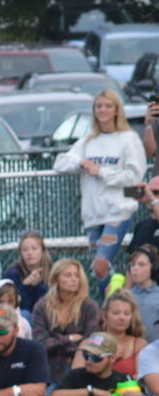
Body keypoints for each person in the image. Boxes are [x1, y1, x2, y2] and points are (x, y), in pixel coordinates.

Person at [52, 89, 146, 295]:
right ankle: (116, 303)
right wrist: (81, 163)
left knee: (101, 264)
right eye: (98, 106)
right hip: (93, 214)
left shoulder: (128, 138)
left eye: (107, 106)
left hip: (117, 212)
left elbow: (134, 176)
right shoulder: (87, 141)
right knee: (98, 269)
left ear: (116, 110)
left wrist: (101, 172)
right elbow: (59, 163)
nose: (102, 110)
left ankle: (118, 300)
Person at [32, 258, 99, 396]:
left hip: (81, 378)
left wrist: (59, 342)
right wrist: (71, 339)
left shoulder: (89, 306)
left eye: (76, 275)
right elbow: (40, 344)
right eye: (68, 275)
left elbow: (91, 343)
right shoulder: (42, 306)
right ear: (56, 279)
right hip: (50, 378)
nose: (73, 279)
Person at [6, 231, 52, 320]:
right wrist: (25, 286)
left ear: (42, 250)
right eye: (25, 250)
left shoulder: (53, 270)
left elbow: (51, 302)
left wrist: (38, 285)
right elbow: (15, 304)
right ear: (20, 253)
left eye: (34, 248)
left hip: (47, 316)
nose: (29, 253)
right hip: (23, 316)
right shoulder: (13, 273)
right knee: (24, 314)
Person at [101, 289, 148, 375]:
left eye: (127, 313)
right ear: (104, 315)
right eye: (116, 313)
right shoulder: (90, 343)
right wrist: (106, 363)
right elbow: (77, 379)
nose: (122, 318)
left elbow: (142, 378)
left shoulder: (139, 344)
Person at [120, 244, 159, 334]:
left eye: (141, 265)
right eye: (132, 265)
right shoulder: (125, 295)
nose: (135, 268)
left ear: (153, 268)